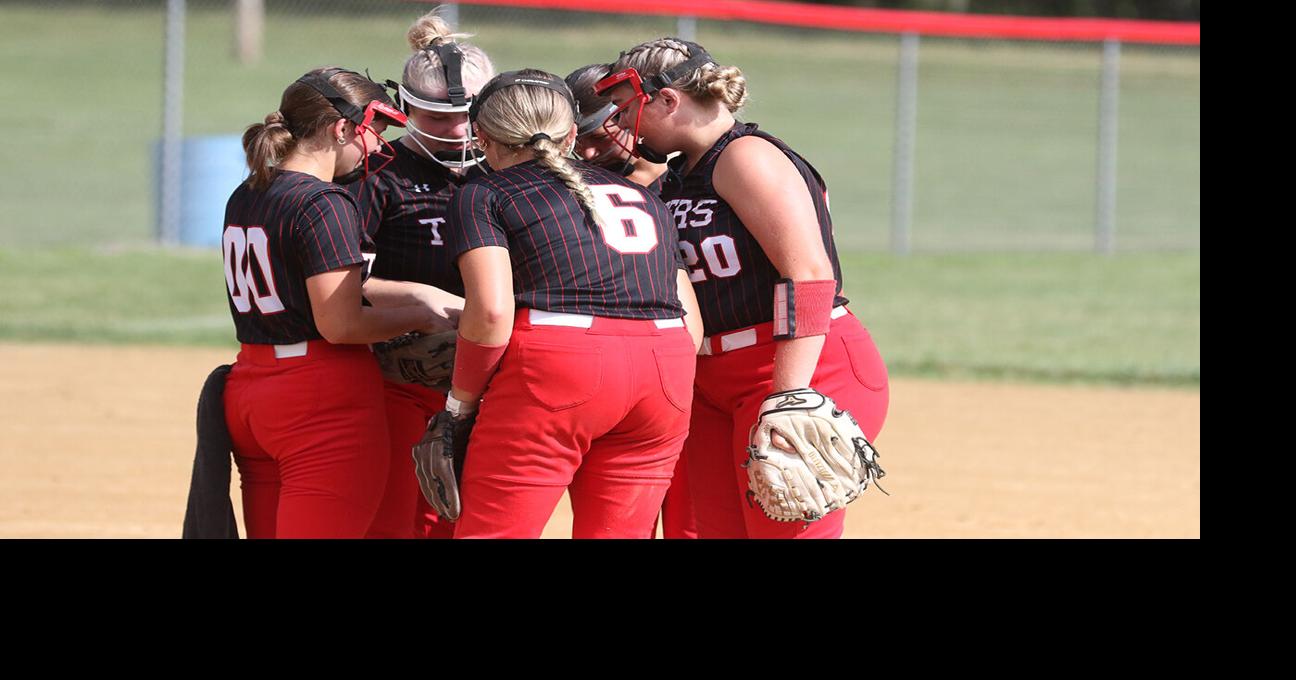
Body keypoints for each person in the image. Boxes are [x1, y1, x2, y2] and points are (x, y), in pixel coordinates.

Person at [596, 39, 890, 539]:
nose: (622, 123)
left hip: (794, 367)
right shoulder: (679, 175)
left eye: (627, 107)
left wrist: (791, 395)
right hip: (716, 380)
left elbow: (810, 274)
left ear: (668, 100)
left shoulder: (744, 155)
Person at [441, 69, 703, 539]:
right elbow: (691, 325)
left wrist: (460, 404)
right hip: (666, 368)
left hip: (560, 364)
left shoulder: (484, 193)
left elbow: (492, 313)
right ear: (570, 135)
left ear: (482, 137)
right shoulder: (643, 196)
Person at [222, 66, 441, 538]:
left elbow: (310, 286)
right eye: (373, 132)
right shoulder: (326, 201)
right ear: (341, 128)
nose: (378, 148)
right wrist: (423, 317)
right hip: (320, 401)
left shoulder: (248, 191)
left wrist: (420, 296)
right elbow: (341, 325)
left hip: (251, 388)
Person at [347, 10, 496, 539]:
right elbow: (345, 284)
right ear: (405, 107)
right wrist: (421, 298)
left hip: (493, 379)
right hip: (403, 378)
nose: (457, 131)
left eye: (468, 116)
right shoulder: (378, 172)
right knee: (399, 518)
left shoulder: (507, 170)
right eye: (436, 117)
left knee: (473, 521)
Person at [565, 62, 696, 539]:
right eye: (578, 139)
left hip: (692, 378)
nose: (588, 151)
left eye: (601, 133)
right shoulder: (571, 192)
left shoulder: (687, 181)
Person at [565, 63, 667, 192]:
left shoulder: (684, 186)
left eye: (601, 137)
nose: (588, 154)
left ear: (631, 117)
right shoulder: (566, 188)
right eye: (576, 142)